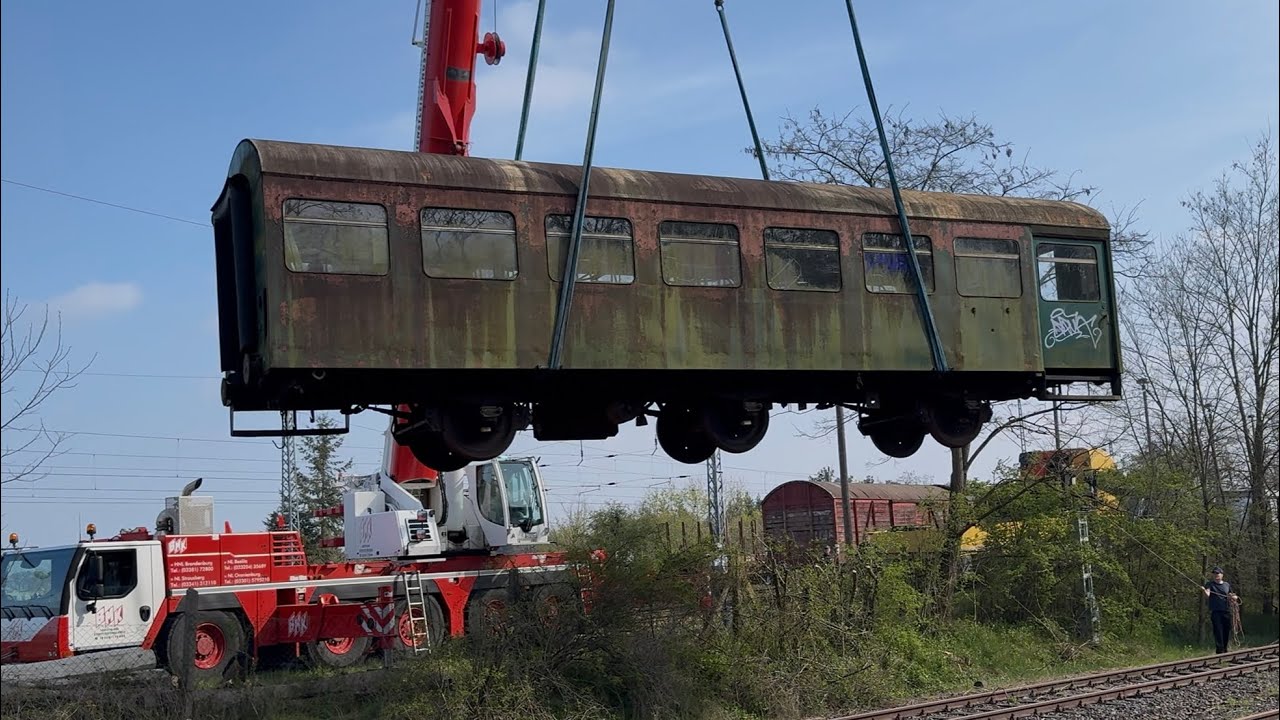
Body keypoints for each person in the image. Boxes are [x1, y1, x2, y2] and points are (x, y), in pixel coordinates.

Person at [1202, 566, 1238, 654]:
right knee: (1218, 630)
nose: (1216, 575)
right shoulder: (1209, 584)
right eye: (1214, 574)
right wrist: (1204, 591)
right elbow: (1208, 595)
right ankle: (1219, 651)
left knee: (1226, 630)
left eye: (1217, 573)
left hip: (1226, 610)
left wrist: (1234, 598)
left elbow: (1232, 595)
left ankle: (1225, 649)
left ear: (1222, 575)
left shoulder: (1226, 585)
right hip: (1216, 611)